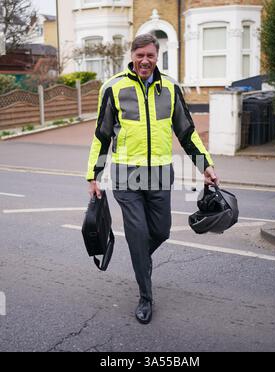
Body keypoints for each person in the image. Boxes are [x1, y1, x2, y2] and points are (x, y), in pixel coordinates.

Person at [86, 33, 219, 324]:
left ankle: (138, 256)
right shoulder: (113, 87)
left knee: (161, 231)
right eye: (139, 55)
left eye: (150, 55)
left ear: (157, 56)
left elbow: (187, 132)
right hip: (126, 176)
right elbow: (102, 135)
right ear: (132, 56)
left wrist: (204, 166)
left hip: (160, 174)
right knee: (136, 232)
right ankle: (146, 297)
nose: (145, 60)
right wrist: (93, 175)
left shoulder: (170, 87)